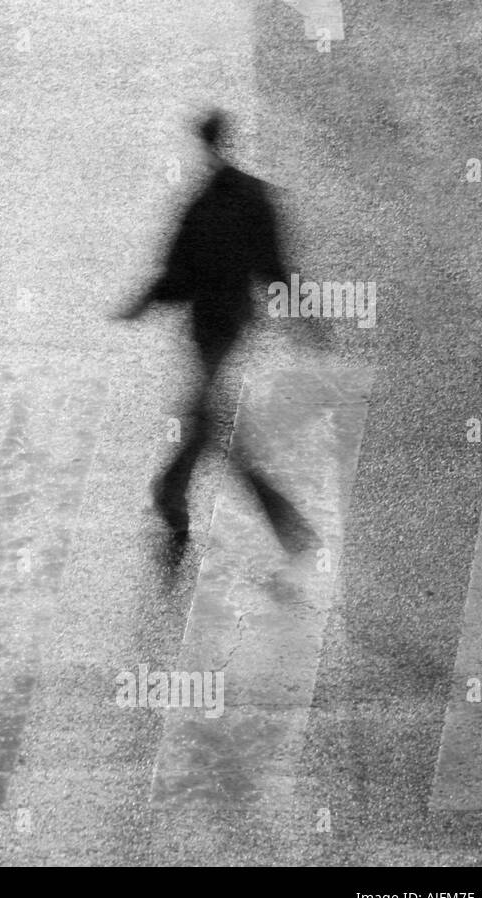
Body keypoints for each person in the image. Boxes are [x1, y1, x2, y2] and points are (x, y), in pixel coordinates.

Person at [115, 109, 319, 566]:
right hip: (232, 323)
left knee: (209, 421)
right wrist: (305, 313)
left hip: (209, 326)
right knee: (210, 419)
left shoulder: (200, 204)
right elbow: (274, 264)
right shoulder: (253, 195)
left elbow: (177, 273)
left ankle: (176, 495)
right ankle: (187, 498)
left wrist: (143, 302)